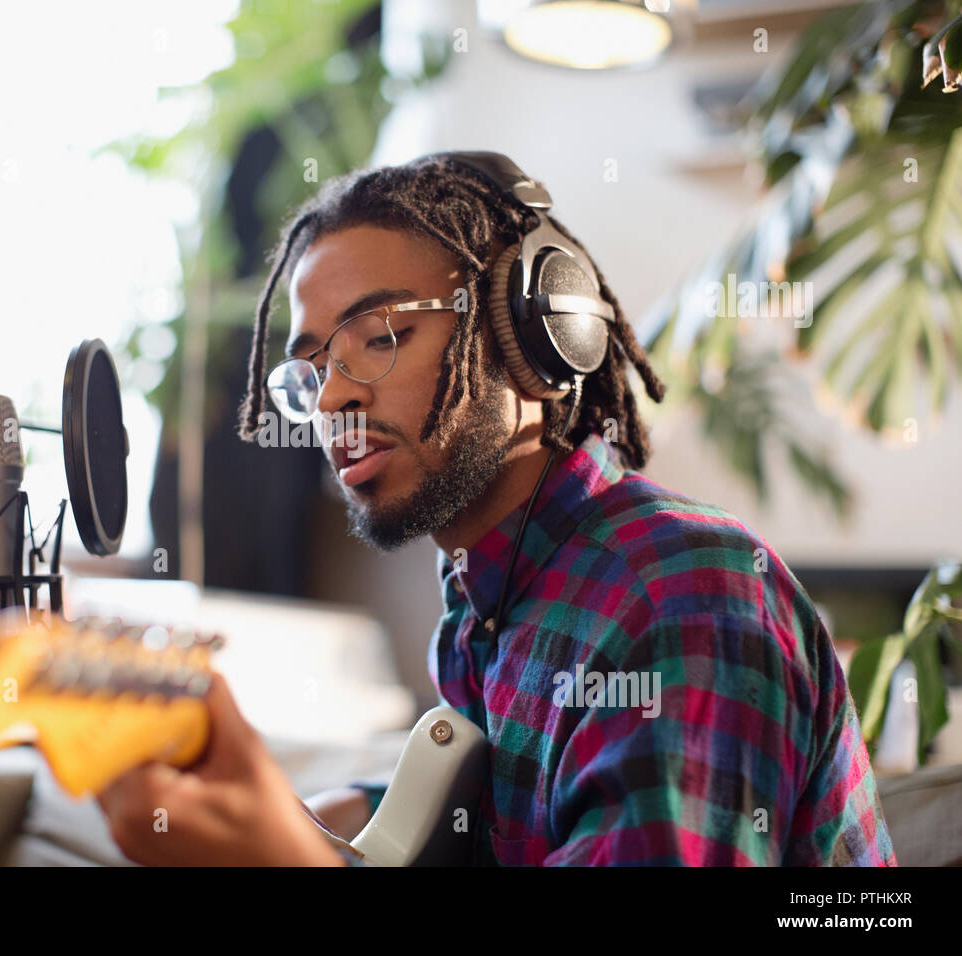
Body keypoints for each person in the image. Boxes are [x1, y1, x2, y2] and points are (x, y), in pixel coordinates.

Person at [98, 152, 897, 866]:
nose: (333, 396)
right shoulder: (486, 605)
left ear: (536, 335)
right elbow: (492, 811)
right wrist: (334, 818)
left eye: (378, 336)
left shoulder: (679, 593)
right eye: (311, 371)